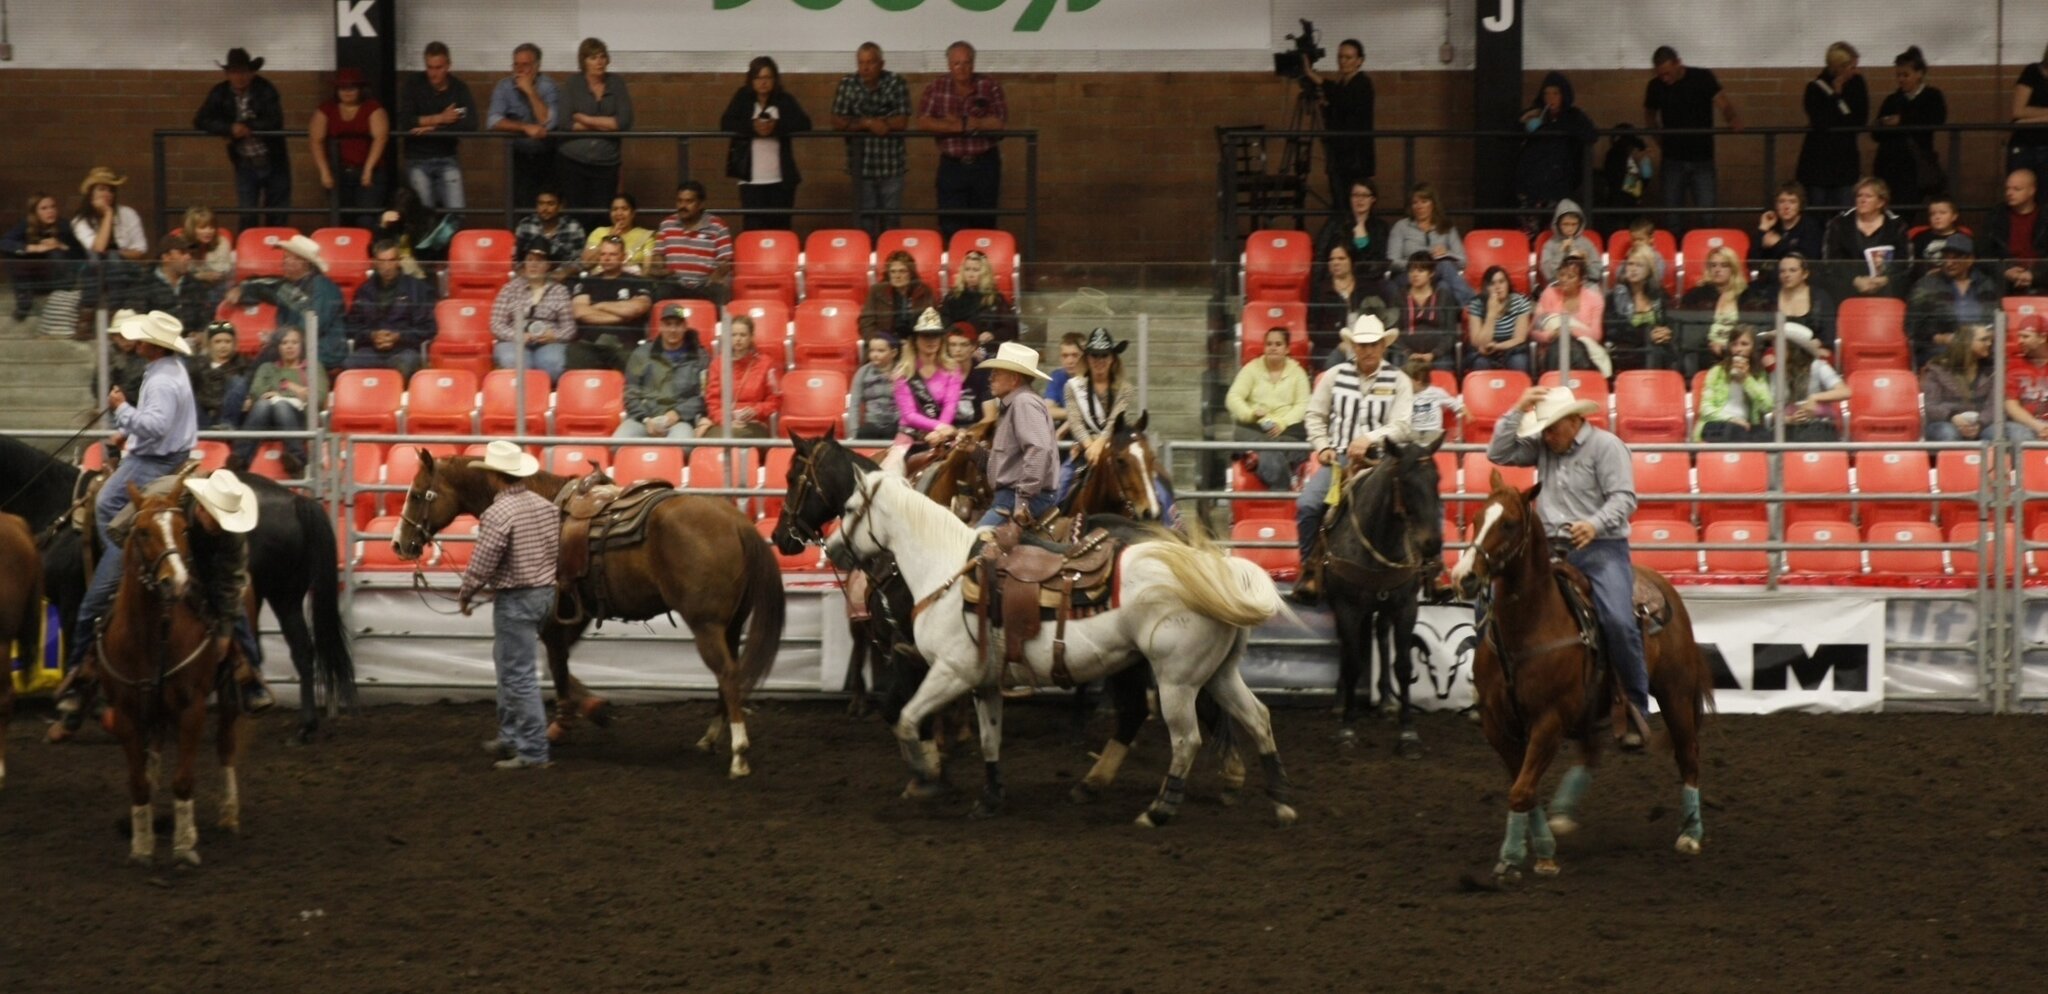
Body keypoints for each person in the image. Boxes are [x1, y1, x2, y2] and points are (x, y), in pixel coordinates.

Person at [1488, 385, 1650, 747]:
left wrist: (1594, 524)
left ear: (1575, 420)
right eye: (1543, 429)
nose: (1546, 436)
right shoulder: (1545, 445)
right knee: (1491, 600)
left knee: (1618, 621)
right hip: (1549, 549)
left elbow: (1625, 498)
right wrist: (1517, 409)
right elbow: (1498, 452)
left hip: (1600, 548)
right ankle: (1496, 688)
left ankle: (1636, 704)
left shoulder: (1607, 447)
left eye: (1552, 428)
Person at [56, 311, 199, 714]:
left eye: (141, 339)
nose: (135, 343)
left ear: (153, 344)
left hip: (154, 463)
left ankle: (122, 561)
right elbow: (156, 426)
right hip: (166, 455)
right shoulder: (170, 371)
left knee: (105, 505)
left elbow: (154, 426)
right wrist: (129, 432)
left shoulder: (162, 379)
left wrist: (121, 409)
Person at [1290, 314, 1413, 604]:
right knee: (1308, 505)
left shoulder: (1399, 380)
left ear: (1383, 345)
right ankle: (1310, 569)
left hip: (1384, 463)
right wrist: (1322, 446)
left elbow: (1403, 426)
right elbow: (1314, 415)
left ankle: (1429, 571)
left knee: (1420, 506)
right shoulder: (1333, 376)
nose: (1368, 350)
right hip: (1341, 463)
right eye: (1362, 345)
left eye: (1373, 344)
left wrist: (1370, 439)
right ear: (1353, 346)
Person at [457, 440, 560, 771]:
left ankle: (533, 750)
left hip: (517, 599)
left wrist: (467, 591)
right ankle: (510, 736)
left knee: (517, 675)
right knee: (508, 666)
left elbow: (484, 560)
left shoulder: (498, 512)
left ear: (493, 476)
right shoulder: (546, 507)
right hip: (545, 594)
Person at [1644, 46, 1743, 233]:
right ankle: (1675, 249)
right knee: (1672, 217)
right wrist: (1659, 140)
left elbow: (1723, 103)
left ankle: (1707, 249)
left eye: (1667, 73)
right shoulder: (1655, 86)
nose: (1665, 78)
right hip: (1672, 159)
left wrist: (1732, 119)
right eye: (1660, 75)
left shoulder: (1702, 77)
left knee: (1708, 215)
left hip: (1702, 158)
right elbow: (1649, 116)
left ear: (1678, 63)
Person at [916, 40, 1008, 238]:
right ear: (949, 65)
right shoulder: (936, 87)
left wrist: (969, 123)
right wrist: (954, 126)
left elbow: (999, 122)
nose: (962, 68)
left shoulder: (989, 86)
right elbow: (923, 121)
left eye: (966, 63)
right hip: (952, 166)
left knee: (984, 224)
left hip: (985, 164)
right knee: (951, 224)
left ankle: (981, 258)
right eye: (957, 63)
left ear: (973, 64)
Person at [194, 48, 290, 227]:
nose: (240, 77)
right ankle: (249, 244)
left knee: (277, 214)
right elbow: (201, 120)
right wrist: (229, 128)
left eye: (244, 72)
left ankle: (273, 244)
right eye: (234, 72)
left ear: (251, 73)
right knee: (247, 214)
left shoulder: (266, 89)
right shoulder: (220, 92)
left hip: (273, 160)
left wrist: (247, 126)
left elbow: (274, 120)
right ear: (228, 74)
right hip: (244, 161)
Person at [226, 234, 346, 370]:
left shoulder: (323, 288)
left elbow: (312, 326)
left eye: (292, 258)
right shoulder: (287, 286)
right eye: (285, 257)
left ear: (306, 263)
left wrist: (278, 338)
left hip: (322, 351)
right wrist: (242, 289)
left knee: (265, 362)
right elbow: (262, 287)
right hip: (294, 346)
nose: (285, 262)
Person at [721, 56, 812, 233]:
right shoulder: (742, 97)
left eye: (768, 77)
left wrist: (775, 127)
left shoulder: (784, 99)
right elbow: (726, 123)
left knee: (780, 229)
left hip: (780, 179)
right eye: (758, 78)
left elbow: (804, 123)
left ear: (775, 79)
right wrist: (752, 127)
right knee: (753, 228)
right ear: (751, 80)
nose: (763, 82)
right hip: (751, 179)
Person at [973, 342, 1058, 529]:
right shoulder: (1015, 404)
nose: (990, 378)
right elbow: (1007, 464)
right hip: (1013, 496)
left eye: (997, 373)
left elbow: (1039, 449)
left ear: (1014, 379)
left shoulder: (1023, 402)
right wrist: (973, 449)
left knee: (974, 542)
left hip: (1018, 498)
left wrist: (1023, 500)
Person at [831, 42, 913, 237]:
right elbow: (836, 121)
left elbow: (902, 121)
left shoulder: (896, 82)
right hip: (861, 166)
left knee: (891, 221)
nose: (865, 68)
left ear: (881, 64)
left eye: (870, 62)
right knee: (864, 222)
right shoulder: (847, 84)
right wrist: (868, 123)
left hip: (891, 165)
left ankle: (890, 255)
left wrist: (860, 122)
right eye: (861, 63)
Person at [558, 37, 633, 228]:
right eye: (593, 58)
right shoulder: (573, 84)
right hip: (573, 160)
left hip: (606, 161)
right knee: (576, 216)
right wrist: (606, 124)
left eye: (602, 57)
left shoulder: (616, 83)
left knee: (603, 214)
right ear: (583, 61)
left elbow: (623, 122)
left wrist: (585, 119)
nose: (599, 62)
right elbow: (565, 122)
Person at [1227, 327, 1311, 491]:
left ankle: (1255, 456)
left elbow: (1303, 405)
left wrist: (1282, 423)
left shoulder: (1298, 373)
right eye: (1269, 344)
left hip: (1286, 430)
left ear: (1287, 349)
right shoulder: (1251, 369)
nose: (1273, 348)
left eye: (1278, 344)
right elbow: (1233, 398)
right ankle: (1285, 487)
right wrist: (1250, 414)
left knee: (1284, 443)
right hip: (1254, 427)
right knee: (1284, 448)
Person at [397, 41, 478, 212]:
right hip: (417, 159)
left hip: (447, 157)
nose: (433, 73)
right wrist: (440, 118)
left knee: (456, 213)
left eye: (438, 67)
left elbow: (471, 124)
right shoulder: (414, 84)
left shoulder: (458, 89)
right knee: (424, 215)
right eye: (430, 67)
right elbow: (404, 121)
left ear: (448, 65)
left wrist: (434, 128)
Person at [1057, 327, 1133, 502]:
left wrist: (1098, 446)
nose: (1099, 360)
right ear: (1087, 358)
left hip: (1116, 448)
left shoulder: (1125, 389)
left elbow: (1114, 421)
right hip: (1084, 449)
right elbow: (1075, 422)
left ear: (1112, 358)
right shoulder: (1072, 387)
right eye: (1094, 355)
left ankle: (1163, 516)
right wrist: (1089, 446)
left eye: (1104, 355)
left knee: (1149, 483)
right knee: (1061, 483)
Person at [343, 238, 438, 379]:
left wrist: (399, 336)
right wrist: (372, 335)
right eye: (382, 261)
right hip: (371, 349)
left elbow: (428, 328)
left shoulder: (416, 289)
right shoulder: (365, 290)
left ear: (398, 261)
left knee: (404, 364)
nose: (387, 266)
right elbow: (351, 326)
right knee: (349, 364)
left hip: (405, 349)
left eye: (391, 260)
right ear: (374, 262)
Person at [309, 68, 391, 225]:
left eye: (352, 88)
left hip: (369, 172)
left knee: (366, 219)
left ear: (360, 89)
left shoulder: (372, 108)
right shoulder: (326, 109)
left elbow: (380, 138)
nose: (347, 92)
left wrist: (368, 169)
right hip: (339, 172)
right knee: (341, 219)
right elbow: (315, 139)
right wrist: (324, 171)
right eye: (342, 88)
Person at [1907, 234, 2001, 367]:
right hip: (1941, 350)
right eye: (1946, 257)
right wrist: (1941, 338)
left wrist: (1986, 336)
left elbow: (1997, 318)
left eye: (1956, 258)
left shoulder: (1986, 284)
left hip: (1980, 350)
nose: (1949, 263)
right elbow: (1913, 325)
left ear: (1970, 260)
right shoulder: (1926, 285)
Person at [488, 43, 563, 210]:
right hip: (518, 155)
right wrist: (524, 127)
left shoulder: (548, 86)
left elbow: (549, 122)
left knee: (548, 205)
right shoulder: (504, 86)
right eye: (516, 64)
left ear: (537, 66)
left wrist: (530, 91)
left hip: (547, 155)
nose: (519, 70)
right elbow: (493, 121)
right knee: (520, 206)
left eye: (525, 65)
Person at [1515, 72, 1597, 223]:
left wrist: (1563, 123)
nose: (1550, 98)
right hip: (1531, 183)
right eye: (1546, 94)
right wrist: (1524, 121)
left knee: (1557, 227)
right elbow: (1510, 135)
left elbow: (1590, 135)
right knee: (1529, 227)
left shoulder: (1573, 116)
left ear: (1564, 95)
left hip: (1559, 184)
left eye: (1555, 93)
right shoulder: (1535, 114)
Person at [1795, 42, 1868, 211]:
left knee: (1844, 212)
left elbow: (1859, 121)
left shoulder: (1857, 85)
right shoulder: (1815, 88)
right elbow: (1822, 122)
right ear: (1839, 67)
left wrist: (1839, 101)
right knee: (1817, 210)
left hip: (1845, 162)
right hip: (1818, 164)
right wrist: (1835, 96)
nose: (1855, 71)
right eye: (1851, 67)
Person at [228, 327, 311, 476]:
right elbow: (257, 391)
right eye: (284, 343)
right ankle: (239, 461)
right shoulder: (266, 368)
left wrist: (278, 390)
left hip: (298, 419)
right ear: (278, 347)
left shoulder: (311, 368)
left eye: (294, 342)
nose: (290, 346)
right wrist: (294, 389)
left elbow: (318, 396)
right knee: (263, 404)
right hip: (265, 419)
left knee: (280, 405)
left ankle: (297, 459)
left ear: (302, 345)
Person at [617, 303, 707, 440]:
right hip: (643, 419)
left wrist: (678, 413)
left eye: (677, 324)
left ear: (685, 326)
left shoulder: (699, 356)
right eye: (668, 324)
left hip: (680, 420)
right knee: (617, 444)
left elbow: (704, 396)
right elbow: (630, 393)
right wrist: (645, 419)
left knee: (682, 446)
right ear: (660, 327)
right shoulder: (641, 354)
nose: (673, 329)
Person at [887, 309, 964, 467]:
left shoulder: (952, 369)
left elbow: (950, 405)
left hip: (943, 436)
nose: (931, 340)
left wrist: (940, 433)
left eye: (935, 335)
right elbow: (909, 415)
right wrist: (939, 427)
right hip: (910, 438)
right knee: (889, 473)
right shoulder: (902, 373)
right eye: (925, 335)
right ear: (915, 340)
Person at [1873, 46, 1947, 207]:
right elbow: (1875, 133)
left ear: (1919, 73)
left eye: (1905, 75)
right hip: (1889, 165)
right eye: (1898, 75)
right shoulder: (1892, 99)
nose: (1901, 79)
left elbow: (1936, 119)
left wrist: (1902, 121)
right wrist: (1884, 124)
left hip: (1914, 164)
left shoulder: (1932, 96)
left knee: (1907, 207)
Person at [1303, 38, 1375, 204]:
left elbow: (1345, 99)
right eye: (1340, 57)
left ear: (1360, 61)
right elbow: (1338, 112)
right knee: (1339, 199)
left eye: (1348, 57)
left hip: (1355, 157)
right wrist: (1326, 106)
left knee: (1353, 200)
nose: (1343, 61)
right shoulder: (1342, 84)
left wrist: (1312, 75)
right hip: (1340, 155)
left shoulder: (1363, 83)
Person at [491, 245, 577, 383]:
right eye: (530, 260)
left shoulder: (560, 291)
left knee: (553, 363)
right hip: (514, 341)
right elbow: (496, 324)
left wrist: (554, 336)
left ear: (548, 265)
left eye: (539, 261)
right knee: (515, 361)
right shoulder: (509, 289)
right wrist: (517, 336)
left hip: (549, 342)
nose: (533, 265)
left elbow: (569, 328)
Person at [569, 236, 652, 371]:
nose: (606, 258)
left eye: (613, 254)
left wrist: (599, 306)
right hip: (590, 343)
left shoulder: (638, 281)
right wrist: (622, 316)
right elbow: (580, 312)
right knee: (574, 356)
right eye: (603, 254)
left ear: (623, 256)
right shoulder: (588, 281)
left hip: (625, 343)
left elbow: (637, 308)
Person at [1823, 177, 1912, 301]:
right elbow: (1831, 260)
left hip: (1887, 287)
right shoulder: (1839, 223)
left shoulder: (1896, 225)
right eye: (1859, 196)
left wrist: (1886, 279)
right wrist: (1855, 280)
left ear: (1881, 202)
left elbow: (1905, 261)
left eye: (1868, 196)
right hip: (1847, 286)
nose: (1862, 200)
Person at [72, 166, 149, 310]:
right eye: (101, 189)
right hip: (94, 272)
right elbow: (98, 249)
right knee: (98, 258)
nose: (107, 194)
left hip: (125, 269)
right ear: (91, 193)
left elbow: (140, 251)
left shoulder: (128, 214)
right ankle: (94, 310)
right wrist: (108, 214)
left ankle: (115, 309)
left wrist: (117, 254)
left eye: (111, 190)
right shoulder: (80, 221)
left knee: (113, 257)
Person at [2, 192, 84, 324]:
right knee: (13, 254)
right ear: (35, 212)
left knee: (55, 253)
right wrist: (34, 248)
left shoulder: (64, 226)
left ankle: (60, 300)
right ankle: (24, 304)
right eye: (44, 208)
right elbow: (4, 243)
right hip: (34, 278)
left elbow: (81, 254)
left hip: (61, 280)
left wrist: (61, 246)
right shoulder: (26, 225)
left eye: (53, 207)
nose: (50, 211)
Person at [1762, 322, 1852, 442]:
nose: (1774, 351)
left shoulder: (1817, 366)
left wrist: (1815, 398)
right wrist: (1788, 419)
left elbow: (1845, 392)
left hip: (1817, 426)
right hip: (1788, 428)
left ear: (1793, 349)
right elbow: (1774, 407)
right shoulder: (1776, 373)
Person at [651, 181, 734, 304]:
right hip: (675, 284)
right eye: (679, 201)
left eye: (689, 201)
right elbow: (658, 254)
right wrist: (659, 268)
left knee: (718, 292)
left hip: (705, 284)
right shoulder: (667, 224)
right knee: (660, 291)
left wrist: (714, 278)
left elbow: (726, 261)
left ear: (701, 204)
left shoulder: (718, 225)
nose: (683, 206)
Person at [1387, 183, 1470, 305]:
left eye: (1424, 202)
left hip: (1435, 275)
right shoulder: (1401, 227)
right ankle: (1472, 305)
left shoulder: (1446, 227)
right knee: (1445, 267)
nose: (1419, 206)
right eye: (1415, 203)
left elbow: (1463, 262)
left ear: (1433, 204)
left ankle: (1459, 313)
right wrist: (1420, 264)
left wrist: (1447, 253)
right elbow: (1392, 262)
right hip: (1409, 276)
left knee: (1444, 284)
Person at [697, 314, 778, 438]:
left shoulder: (766, 363)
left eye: (743, 335)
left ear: (751, 337)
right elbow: (713, 401)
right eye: (733, 335)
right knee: (715, 439)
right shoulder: (718, 364)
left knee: (732, 438)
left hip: (754, 423)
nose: (738, 339)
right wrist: (725, 420)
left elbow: (774, 399)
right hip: (723, 422)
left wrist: (756, 410)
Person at [1673, 245, 1749, 376]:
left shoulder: (1747, 295)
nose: (1717, 270)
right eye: (1713, 265)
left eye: (1723, 265)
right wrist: (1710, 343)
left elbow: (1752, 330)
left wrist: (1731, 346)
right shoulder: (1695, 296)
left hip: (1739, 353)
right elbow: (1688, 333)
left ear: (1733, 269)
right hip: (1704, 352)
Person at [1692, 325, 1772, 442]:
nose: (1738, 349)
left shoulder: (1758, 374)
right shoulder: (1717, 371)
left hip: (1745, 426)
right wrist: (1731, 419)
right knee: (1735, 431)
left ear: (1753, 347)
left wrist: (1746, 379)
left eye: (1744, 344)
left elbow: (1767, 406)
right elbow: (1705, 409)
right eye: (1734, 344)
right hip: (1717, 424)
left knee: (1767, 436)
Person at [120, 234, 211, 334]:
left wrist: (200, 334)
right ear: (166, 257)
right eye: (182, 253)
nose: (188, 257)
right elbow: (136, 318)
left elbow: (205, 317)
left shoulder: (194, 285)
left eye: (189, 253)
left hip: (189, 341)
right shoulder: (144, 284)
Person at [1921, 324, 1997, 442]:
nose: (1989, 343)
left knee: (2002, 433)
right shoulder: (1937, 369)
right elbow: (1931, 406)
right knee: (1948, 433)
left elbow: (1994, 405)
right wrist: (1953, 417)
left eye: (1990, 340)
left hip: (1981, 424)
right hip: (1945, 422)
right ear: (1966, 342)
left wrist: (1980, 423)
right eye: (1984, 340)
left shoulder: (1992, 369)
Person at [1310, 242, 1385, 360]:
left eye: (1341, 258)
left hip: (1365, 344)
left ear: (1351, 261)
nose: (1335, 263)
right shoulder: (1320, 290)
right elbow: (1313, 329)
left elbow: (1378, 320)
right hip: (1330, 347)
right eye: (1332, 259)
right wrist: (1340, 344)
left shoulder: (1367, 288)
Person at [1606, 244, 1676, 371]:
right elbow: (1613, 330)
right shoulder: (1614, 297)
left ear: (1649, 270)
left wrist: (1666, 333)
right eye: (1630, 264)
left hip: (1656, 351)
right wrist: (1647, 335)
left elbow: (1668, 322)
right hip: (1627, 353)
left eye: (1639, 265)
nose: (1633, 269)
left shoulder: (1659, 295)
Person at [1750, 252, 1837, 352]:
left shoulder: (1820, 297)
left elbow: (1828, 335)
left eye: (1793, 270)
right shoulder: (1767, 297)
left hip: (1810, 350)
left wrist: (1807, 347)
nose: (1787, 275)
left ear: (1805, 274)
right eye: (1782, 271)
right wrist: (1770, 335)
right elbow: (1756, 329)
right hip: (1773, 350)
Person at [1391, 251, 1462, 371]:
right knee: (1399, 365)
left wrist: (1434, 354)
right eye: (1411, 270)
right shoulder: (1399, 296)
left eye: (1420, 270)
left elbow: (1450, 333)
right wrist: (1408, 353)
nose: (1414, 274)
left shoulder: (1443, 295)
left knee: (1444, 367)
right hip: (1406, 355)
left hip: (1438, 355)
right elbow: (1394, 332)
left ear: (1431, 273)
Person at [1533, 256, 1605, 372]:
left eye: (1570, 277)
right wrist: (1551, 335)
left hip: (1586, 350)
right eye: (1561, 275)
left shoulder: (1594, 299)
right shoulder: (1549, 294)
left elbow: (1596, 335)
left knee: (1571, 345)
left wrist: (1568, 330)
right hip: (1551, 351)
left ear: (1581, 280)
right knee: (1561, 344)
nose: (1564, 279)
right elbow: (1534, 331)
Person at [939, 249, 1019, 350]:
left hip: (985, 347)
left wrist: (993, 334)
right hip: (957, 347)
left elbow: (1011, 328)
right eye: (967, 269)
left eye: (975, 270)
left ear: (985, 273)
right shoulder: (952, 297)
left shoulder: (995, 298)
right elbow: (943, 322)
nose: (970, 274)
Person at [1982, 169, 2045, 294]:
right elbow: (1984, 254)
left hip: (2041, 282)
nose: (2009, 193)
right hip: (2004, 282)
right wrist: (2004, 271)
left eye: (2017, 189)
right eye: (2007, 189)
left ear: (2031, 191)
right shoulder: (1996, 216)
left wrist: (2035, 275)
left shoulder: (2044, 217)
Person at [1317, 179, 1391, 283]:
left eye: (1364, 195)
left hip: (1369, 281)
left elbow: (1380, 260)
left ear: (1373, 199)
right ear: (1350, 198)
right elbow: (1320, 254)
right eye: (1356, 195)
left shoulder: (1380, 227)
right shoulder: (1335, 223)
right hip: (1336, 278)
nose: (1360, 200)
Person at [1754, 182, 1827, 284]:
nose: (1786, 207)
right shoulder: (1773, 226)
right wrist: (1763, 228)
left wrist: (1778, 244)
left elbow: (1807, 260)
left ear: (1800, 205)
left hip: (1802, 282)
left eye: (1792, 202)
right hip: (1772, 282)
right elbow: (1753, 260)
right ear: (1776, 205)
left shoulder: (1811, 227)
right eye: (1781, 201)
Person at [1464, 266, 1533, 373]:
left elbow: (1519, 338)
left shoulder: (1520, 302)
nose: (1498, 287)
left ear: (1507, 284)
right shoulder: (1477, 304)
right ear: (1486, 287)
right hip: (1483, 351)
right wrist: (1491, 313)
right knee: (1480, 363)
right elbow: (1477, 342)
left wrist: (1496, 346)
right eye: (1492, 283)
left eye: (1501, 282)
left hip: (1512, 349)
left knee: (1519, 362)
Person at [860, 250, 937, 343]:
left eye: (902, 271)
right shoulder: (877, 291)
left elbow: (931, 322)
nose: (897, 276)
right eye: (893, 272)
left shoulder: (924, 290)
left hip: (915, 342)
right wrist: (875, 341)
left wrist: (915, 343)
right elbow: (866, 322)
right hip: (885, 342)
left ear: (911, 273)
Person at [188, 322, 248, 429]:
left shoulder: (243, 365)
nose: (223, 346)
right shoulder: (196, 365)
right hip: (202, 415)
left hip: (230, 415)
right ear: (209, 344)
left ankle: (226, 426)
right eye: (217, 342)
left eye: (227, 341)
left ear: (234, 344)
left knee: (238, 381)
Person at [514, 190, 587, 276]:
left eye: (550, 204)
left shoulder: (573, 227)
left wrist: (566, 272)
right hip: (530, 278)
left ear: (560, 206)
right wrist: (521, 271)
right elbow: (515, 258)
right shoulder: (525, 225)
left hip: (564, 280)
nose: (545, 208)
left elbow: (581, 261)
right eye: (541, 203)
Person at [581, 193, 655, 275]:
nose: (619, 213)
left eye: (624, 209)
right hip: (599, 280)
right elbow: (586, 264)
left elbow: (647, 269)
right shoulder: (599, 232)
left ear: (633, 213)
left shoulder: (646, 236)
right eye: (615, 209)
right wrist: (609, 238)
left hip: (631, 281)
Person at [1538, 199, 1605, 285]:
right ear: (1557, 224)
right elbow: (1548, 275)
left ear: (1580, 224)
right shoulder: (1550, 245)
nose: (1570, 229)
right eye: (1565, 224)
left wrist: (1586, 261)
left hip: (1585, 286)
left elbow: (1596, 275)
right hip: (1558, 285)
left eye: (1574, 224)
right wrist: (1561, 252)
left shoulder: (1587, 243)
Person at [849, 335, 903, 441]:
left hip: (897, 424)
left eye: (880, 351)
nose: (875, 355)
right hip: (871, 424)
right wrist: (853, 433)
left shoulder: (903, 371)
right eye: (872, 351)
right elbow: (854, 405)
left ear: (893, 353)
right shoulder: (863, 372)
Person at [2004, 315, 2048, 441]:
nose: (2020, 341)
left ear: (2042, 338)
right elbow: (2011, 405)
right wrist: (2038, 426)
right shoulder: (2014, 365)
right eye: (2019, 336)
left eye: (2025, 336)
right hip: (2025, 424)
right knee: (2020, 434)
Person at [2008, 44, 2048, 177]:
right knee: (2019, 185)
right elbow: (2018, 110)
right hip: (2025, 144)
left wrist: (2029, 120)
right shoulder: (2032, 72)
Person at [179, 205, 236, 294]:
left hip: (216, 287)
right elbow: (177, 274)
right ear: (191, 229)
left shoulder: (221, 242)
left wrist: (200, 275)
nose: (208, 231)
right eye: (202, 228)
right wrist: (199, 276)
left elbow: (221, 272)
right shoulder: (179, 244)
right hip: (188, 287)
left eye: (211, 227)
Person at [1908, 197, 1966, 283]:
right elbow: (1912, 265)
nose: (1937, 217)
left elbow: (1968, 265)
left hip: (1954, 282)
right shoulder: (1919, 238)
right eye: (1932, 214)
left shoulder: (1963, 239)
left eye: (1943, 213)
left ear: (1954, 216)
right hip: (1925, 282)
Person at [1404, 354, 1464, 437]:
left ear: (1418, 380)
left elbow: (1454, 403)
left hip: (1433, 433)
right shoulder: (1404, 395)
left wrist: (1462, 409)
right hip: (1412, 434)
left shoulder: (1436, 393)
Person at [945, 323, 993, 428]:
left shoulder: (983, 373)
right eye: (953, 345)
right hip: (945, 429)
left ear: (973, 347)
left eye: (963, 345)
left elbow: (990, 416)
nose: (958, 349)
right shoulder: (941, 372)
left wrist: (970, 434)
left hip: (976, 429)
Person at [1598, 124, 1653, 212]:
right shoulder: (1619, 157)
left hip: (1620, 202)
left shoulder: (1614, 155)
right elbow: (1635, 187)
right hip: (1622, 204)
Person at [1043, 332, 1084, 432]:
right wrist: (1075, 413)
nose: (1070, 361)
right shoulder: (1058, 377)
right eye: (1065, 356)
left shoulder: (1092, 377)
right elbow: (1047, 410)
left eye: (1075, 355)